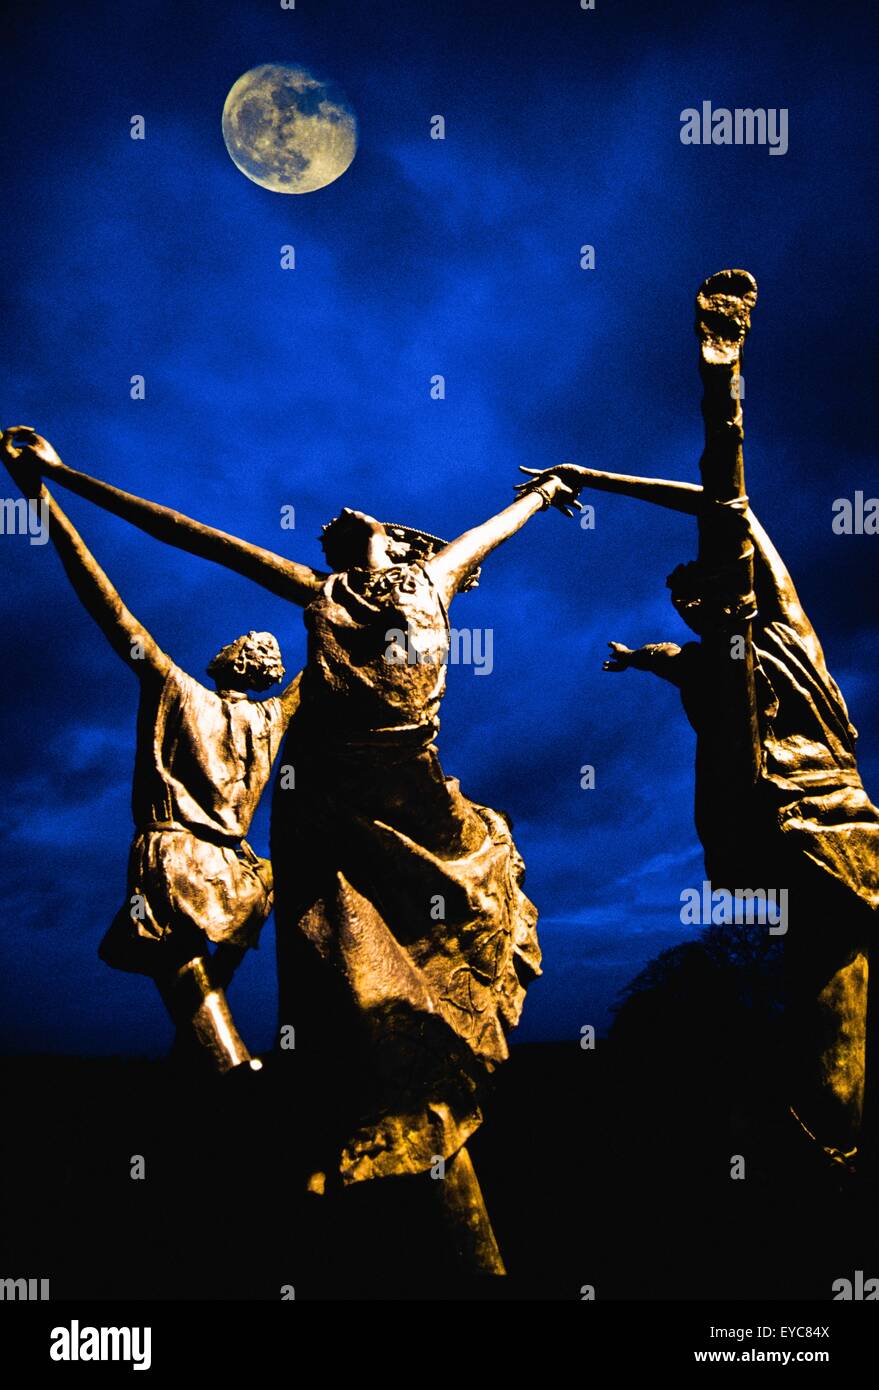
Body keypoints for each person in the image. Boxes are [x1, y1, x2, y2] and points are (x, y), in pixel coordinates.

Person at [15, 429, 584, 1271]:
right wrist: (60, 480)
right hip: (328, 809)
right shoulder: (317, 607)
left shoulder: (429, 576)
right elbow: (183, 532)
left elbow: (490, 534)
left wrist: (542, 494)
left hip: (400, 795)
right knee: (344, 993)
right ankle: (313, 1127)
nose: (344, 517)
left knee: (421, 953)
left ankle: (281, 1103)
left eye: (369, 520)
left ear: (406, 543)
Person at [519, 460, 879, 1172]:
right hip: (771, 828)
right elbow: (672, 658)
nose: (693, 612)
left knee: (837, 976)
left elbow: (720, 500)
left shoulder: (779, 625)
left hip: (835, 822)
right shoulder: (706, 659)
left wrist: (589, 477)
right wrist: (635, 659)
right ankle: (813, 1151)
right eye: (682, 605)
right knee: (814, 992)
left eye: (702, 596)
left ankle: (827, 1155)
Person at [0, 426, 301, 1073]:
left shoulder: (177, 688)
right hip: (247, 876)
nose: (237, 642)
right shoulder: (278, 715)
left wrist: (38, 496)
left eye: (244, 642)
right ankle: (214, 1092)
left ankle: (237, 1079)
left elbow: (99, 593)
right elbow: (340, 651)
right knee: (197, 1006)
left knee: (188, 994)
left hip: (177, 857)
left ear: (237, 661)